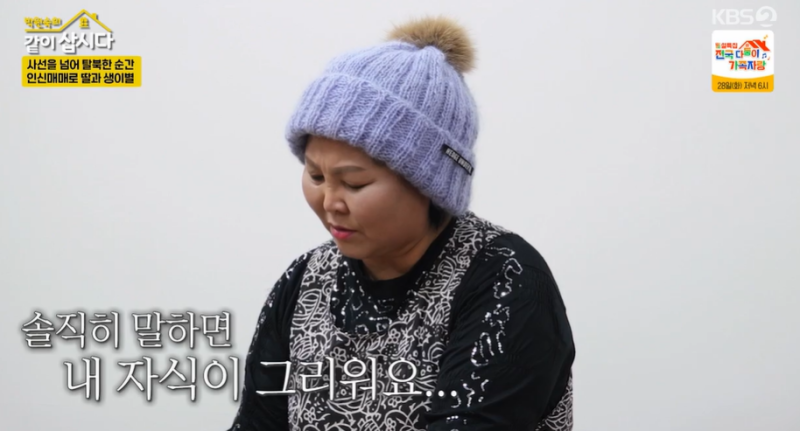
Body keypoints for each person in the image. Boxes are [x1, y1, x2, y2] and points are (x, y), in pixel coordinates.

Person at [227, 15, 575, 431]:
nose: (330, 202)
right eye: (316, 176)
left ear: (428, 183)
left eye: (354, 183)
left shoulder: (505, 278)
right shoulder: (306, 281)